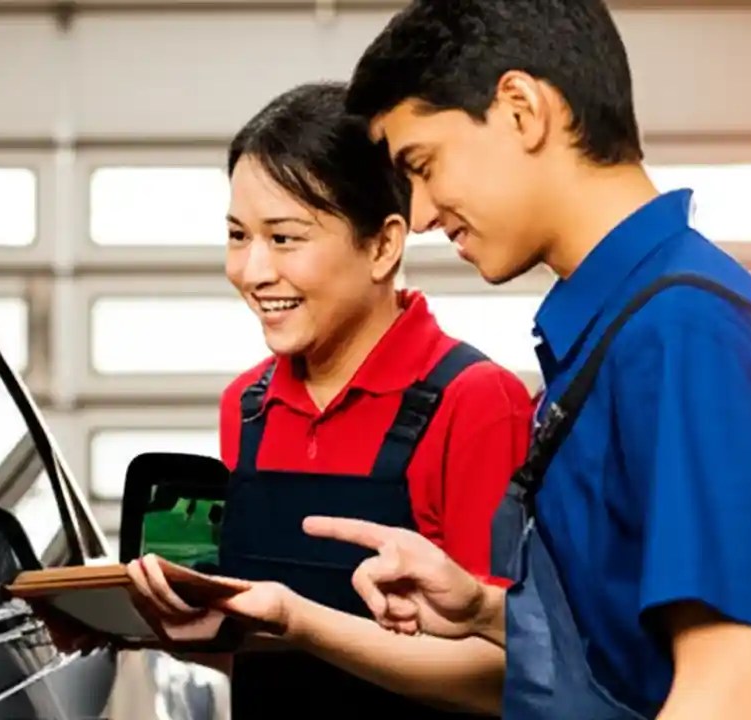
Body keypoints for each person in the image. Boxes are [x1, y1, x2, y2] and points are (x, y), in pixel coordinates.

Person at [136, 2, 751, 719]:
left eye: (424, 165)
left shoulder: (685, 334)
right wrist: (482, 612)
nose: (427, 214)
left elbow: (734, 696)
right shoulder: (617, 329)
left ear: (521, 111)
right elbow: (617, 664)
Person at [128, 81, 533, 717]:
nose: (253, 271)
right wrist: (157, 628)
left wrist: (300, 620)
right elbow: (250, 648)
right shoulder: (247, 406)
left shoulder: (477, 402)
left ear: (382, 245)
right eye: (238, 236)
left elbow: (506, 673)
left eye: (284, 238)